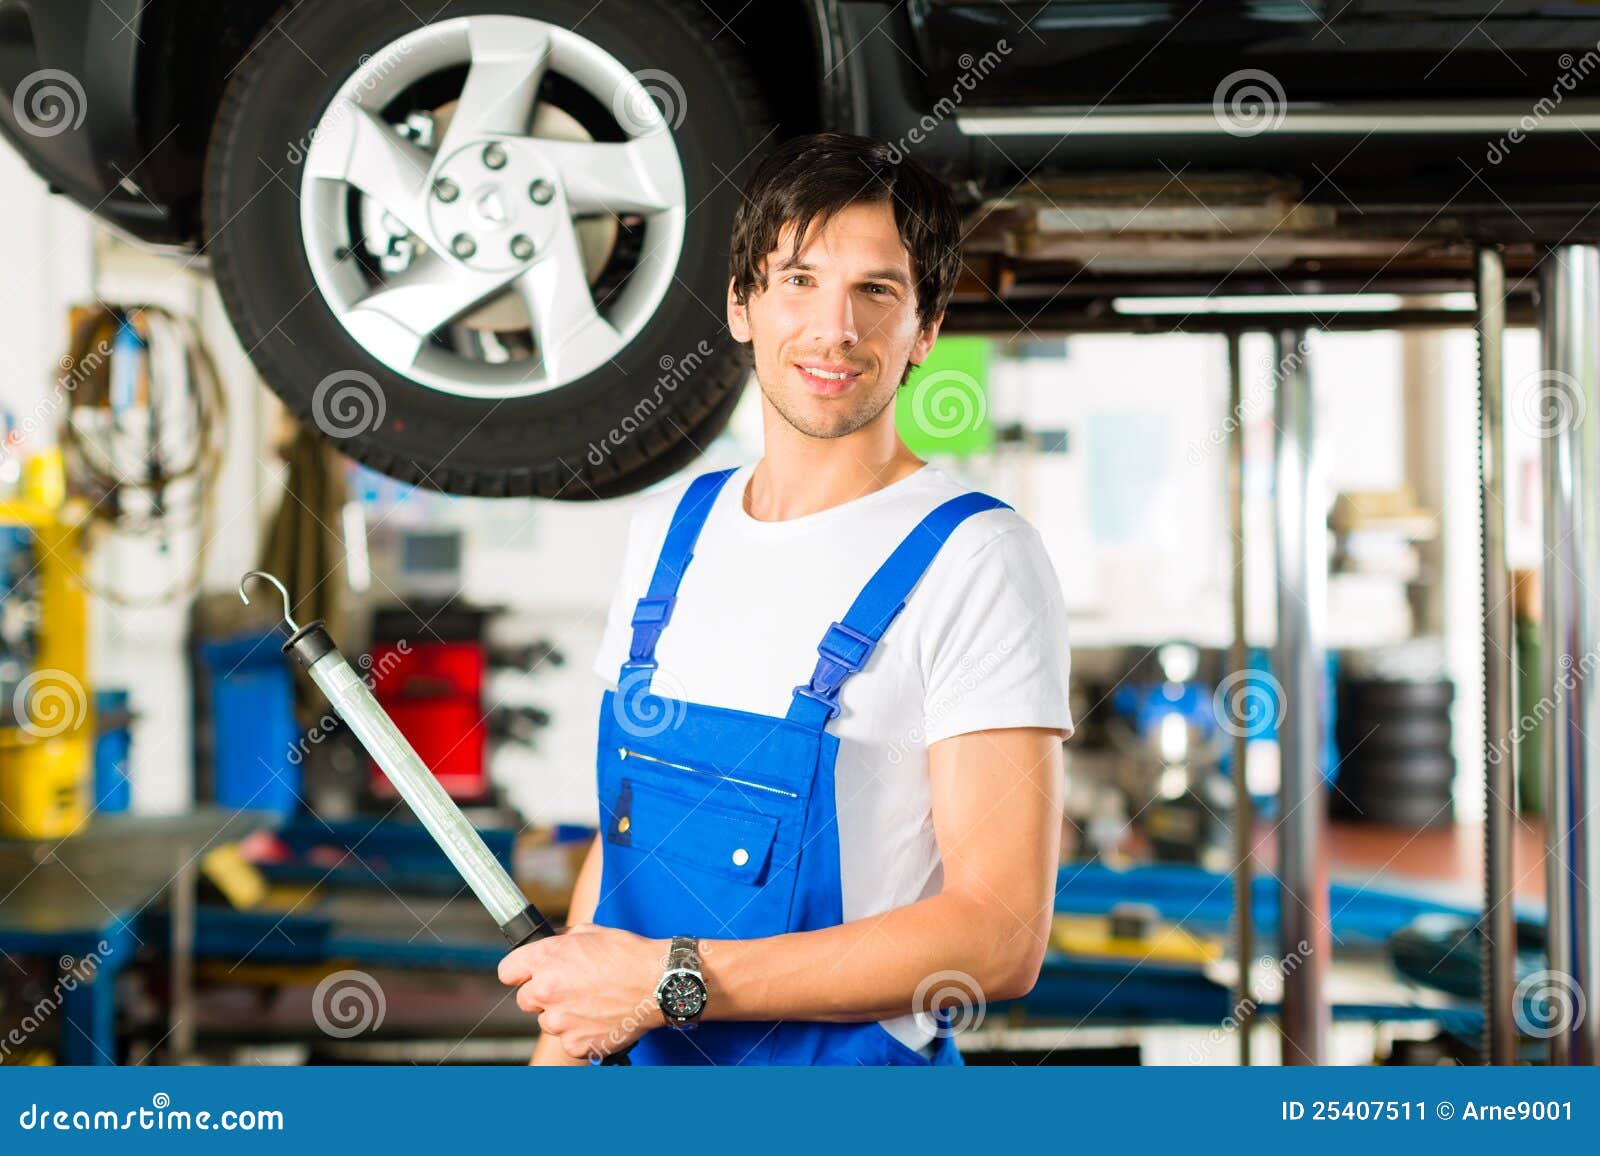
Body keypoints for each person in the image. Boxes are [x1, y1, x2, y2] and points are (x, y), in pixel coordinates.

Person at [498, 131, 1074, 1065]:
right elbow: (626, 841)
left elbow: (999, 938)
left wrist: (665, 984)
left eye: (876, 291)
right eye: (798, 280)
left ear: (924, 329)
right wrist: (559, 1068)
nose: (833, 328)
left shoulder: (977, 557)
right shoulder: (669, 532)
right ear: (741, 304)